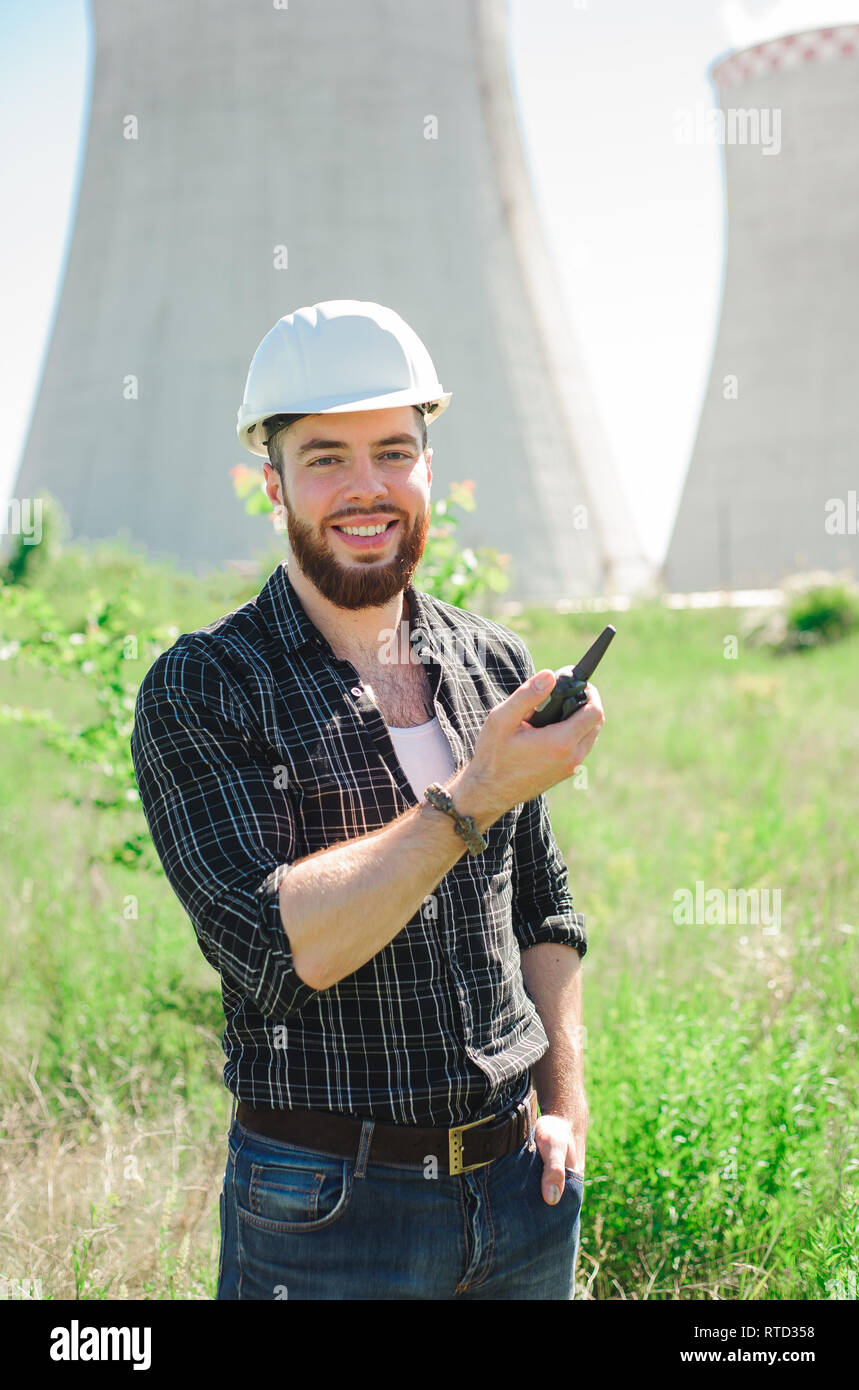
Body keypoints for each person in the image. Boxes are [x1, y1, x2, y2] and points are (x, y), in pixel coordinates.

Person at [130, 299, 605, 1300]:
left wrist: (564, 1104)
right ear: (274, 484)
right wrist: (473, 790)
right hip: (328, 1213)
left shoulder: (491, 663)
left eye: (393, 451)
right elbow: (281, 948)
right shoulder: (207, 685)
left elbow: (544, 912)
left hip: (522, 1191)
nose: (365, 488)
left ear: (429, 468)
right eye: (326, 459)